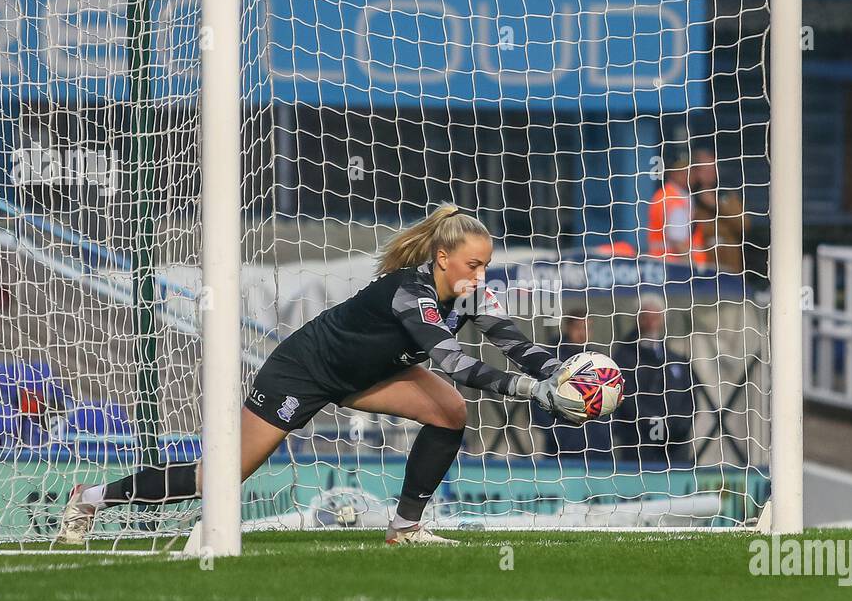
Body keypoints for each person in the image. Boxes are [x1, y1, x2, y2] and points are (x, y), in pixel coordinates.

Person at [57, 206, 587, 546]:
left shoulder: (471, 293)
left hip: (368, 376)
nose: (481, 274)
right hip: (305, 371)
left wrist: (558, 373)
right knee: (215, 479)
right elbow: (450, 361)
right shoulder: (410, 293)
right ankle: (90, 499)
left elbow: (512, 342)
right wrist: (530, 390)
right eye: (473, 264)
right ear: (442, 258)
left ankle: (404, 529)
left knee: (451, 411)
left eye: (486, 264)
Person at [612, 294, 698, 468]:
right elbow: (627, 399)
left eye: (656, 316)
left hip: (676, 447)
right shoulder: (624, 358)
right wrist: (656, 427)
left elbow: (691, 399)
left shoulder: (676, 359)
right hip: (639, 447)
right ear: (638, 319)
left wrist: (677, 427)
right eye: (646, 316)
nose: (651, 322)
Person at [530, 313, 613, 459]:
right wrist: (560, 436)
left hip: (599, 448)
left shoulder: (599, 361)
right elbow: (538, 403)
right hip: (562, 450)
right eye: (578, 327)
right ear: (567, 328)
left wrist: (605, 432)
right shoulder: (550, 361)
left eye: (587, 328)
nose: (583, 332)